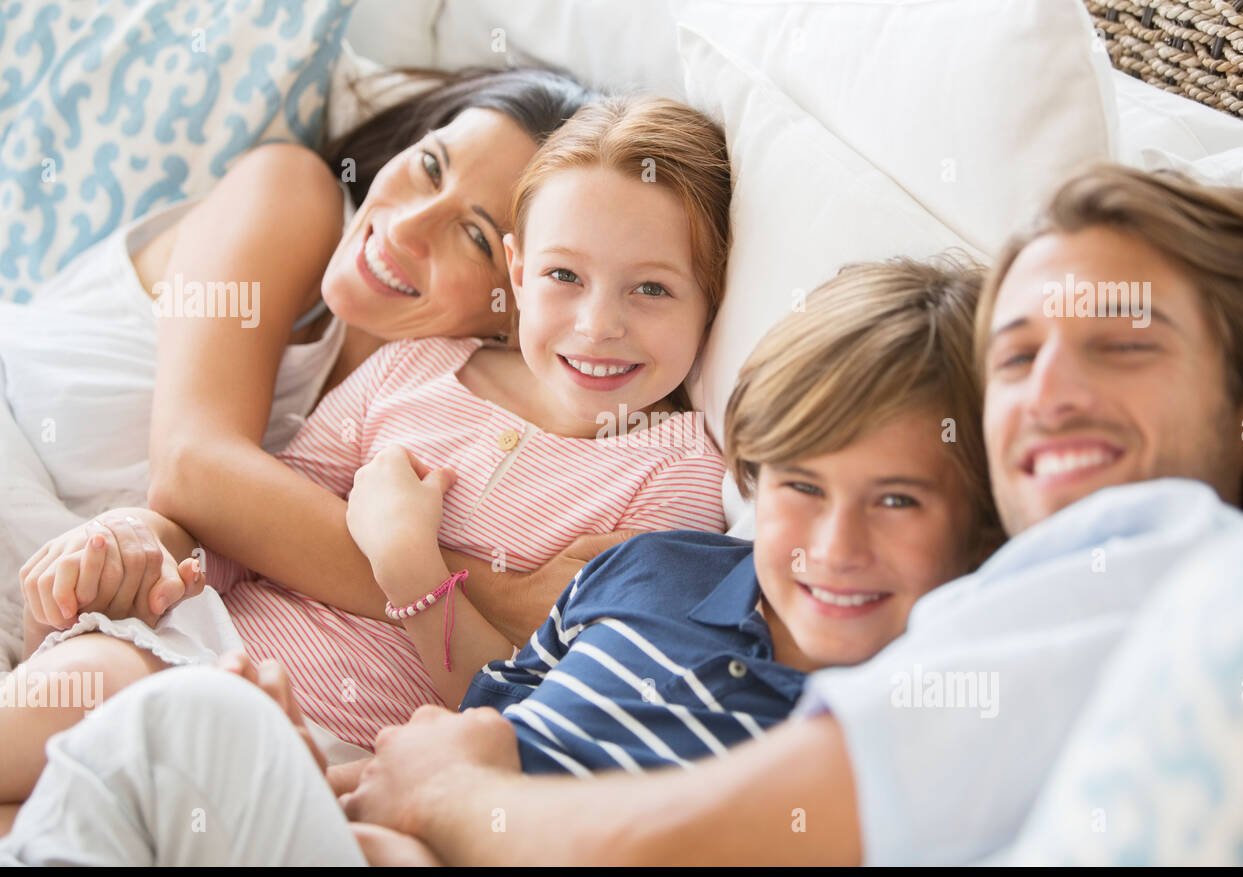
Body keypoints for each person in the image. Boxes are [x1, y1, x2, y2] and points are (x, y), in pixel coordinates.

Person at [6, 161, 1243, 864]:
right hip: (352, 768)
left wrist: (441, 788)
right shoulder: (955, 589)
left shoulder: (1150, 578)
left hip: (435, 813)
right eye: (1017, 358)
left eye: (1124, 345)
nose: (1053, 391)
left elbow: (654, 833)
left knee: (172, 740)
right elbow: (497, 695)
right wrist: (359, 776)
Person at [0, 250, 1003, 859]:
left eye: (899, 500)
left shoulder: (910, 710)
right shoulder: (663, 569)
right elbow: (471, 709)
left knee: (184, 729)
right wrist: (307, 765)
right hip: (372, 832)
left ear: (979, 520)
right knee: (169, 757)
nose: (834, 545)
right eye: (799, 487)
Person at [0, 96, 733, 805]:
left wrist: (412, 563)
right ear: (519, 273)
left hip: (331, 749)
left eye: (652, 290)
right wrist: (144, 547)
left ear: (714, 298)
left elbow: (529, 704)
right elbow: (228, 535)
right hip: (190, 647)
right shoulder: (412, 369)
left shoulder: (676, 474)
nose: (598, 324)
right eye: (564, 276)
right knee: (70, 706)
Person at [0, 67, 602, 659]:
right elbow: (193, 470)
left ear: (519, 305)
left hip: (50, 618)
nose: (407, 226)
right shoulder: (289, 192)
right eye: (430, 167)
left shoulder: (431, 407)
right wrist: (501, 595)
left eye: (473, 235)